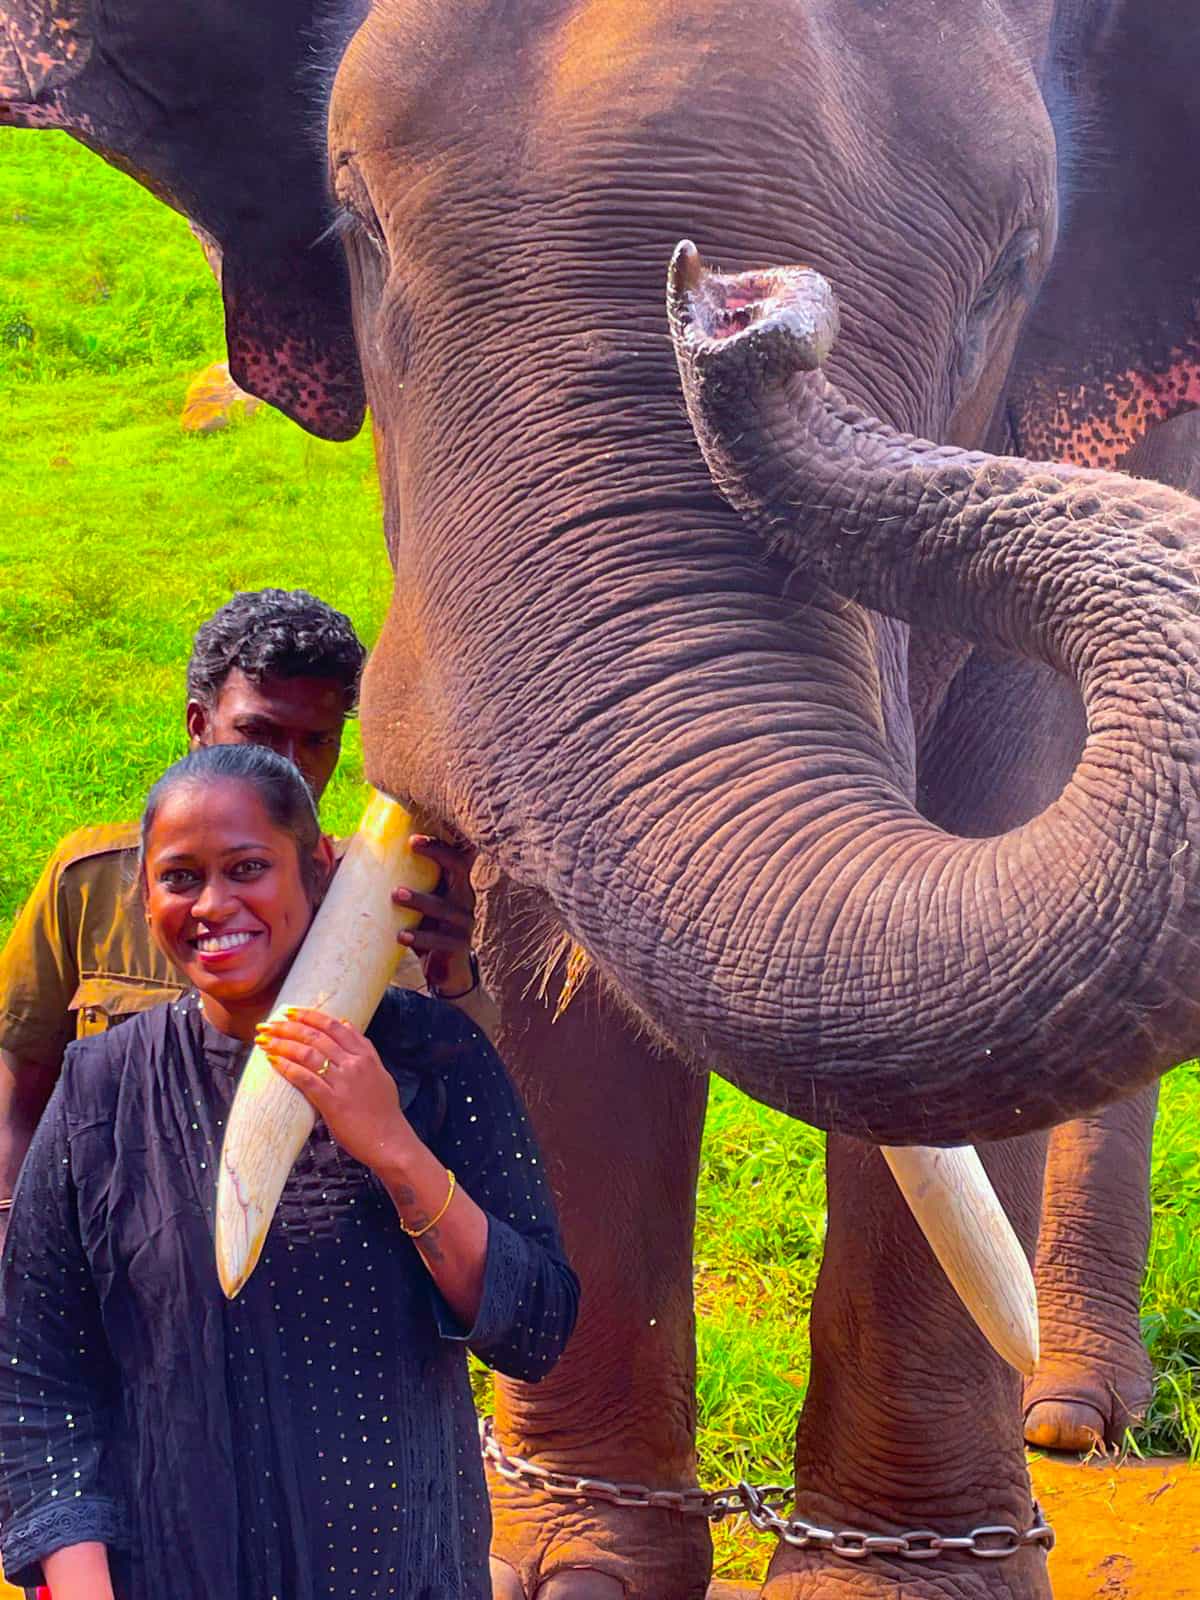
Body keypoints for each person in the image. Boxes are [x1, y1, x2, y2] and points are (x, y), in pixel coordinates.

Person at [0, 745, 578, 1599]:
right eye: (180, 878)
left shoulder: (434, 1053)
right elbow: (36, 1373)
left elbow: (535, 1326)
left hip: (402, 1574)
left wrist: (391, 1145)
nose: (213, 905)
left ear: (320, 872)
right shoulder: (104, 1087)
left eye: (246, 869)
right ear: (146, 895)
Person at [0, 589, 489, 1225]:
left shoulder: (392, 901)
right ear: (199, 724)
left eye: (315, 741)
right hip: (115, 1249)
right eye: (258, 732)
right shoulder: (90, 881)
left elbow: (466, 1116)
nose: (288, 767)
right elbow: (19, 1075)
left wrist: (453, 977)